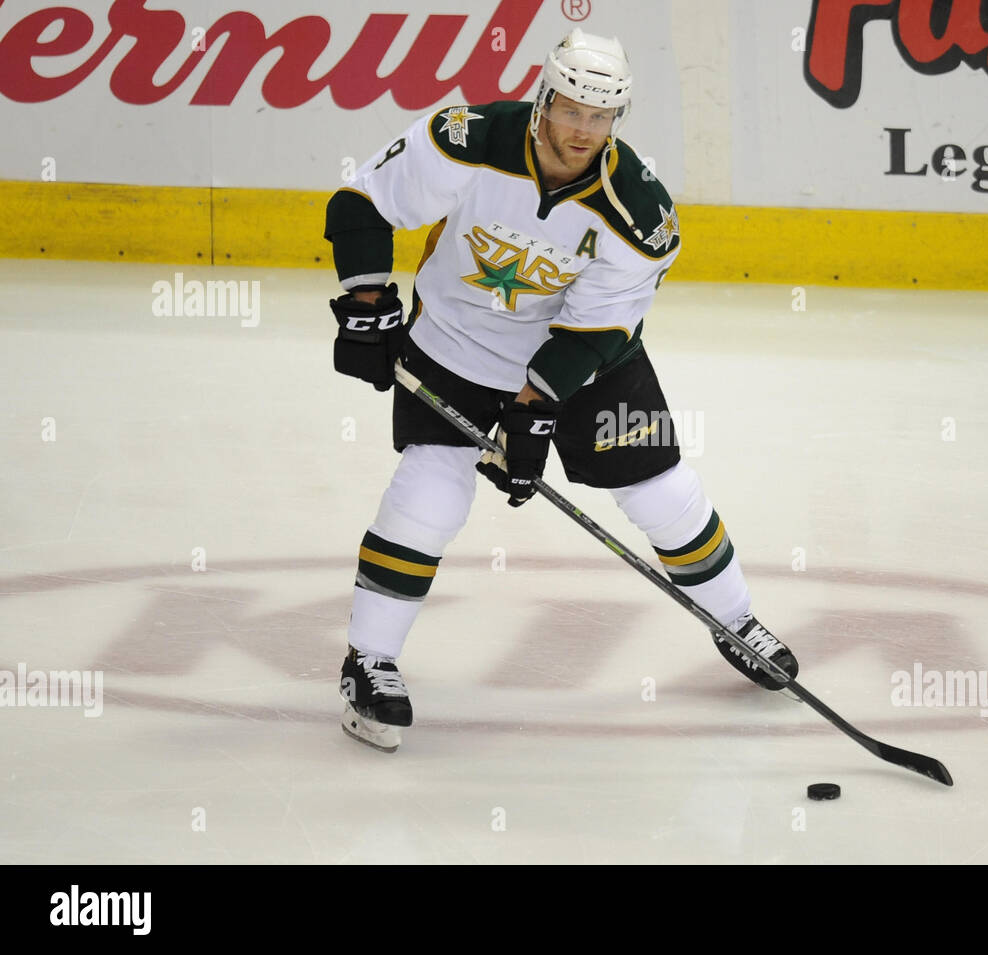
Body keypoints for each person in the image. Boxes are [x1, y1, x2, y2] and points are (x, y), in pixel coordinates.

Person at [324, 28, 798, 752]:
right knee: (430, 491)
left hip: (586, 364)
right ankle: (369, 660)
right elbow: (362, 202)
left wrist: (535, 410)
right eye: (571, 108)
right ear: (544, 98)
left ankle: (737, 621)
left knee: (662, 492)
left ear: (618, 121)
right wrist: (364, 303)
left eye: (600, 116)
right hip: (456, 344)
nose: (582, 129)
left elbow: (598, 330)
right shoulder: (468, 138)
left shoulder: (639, 211)